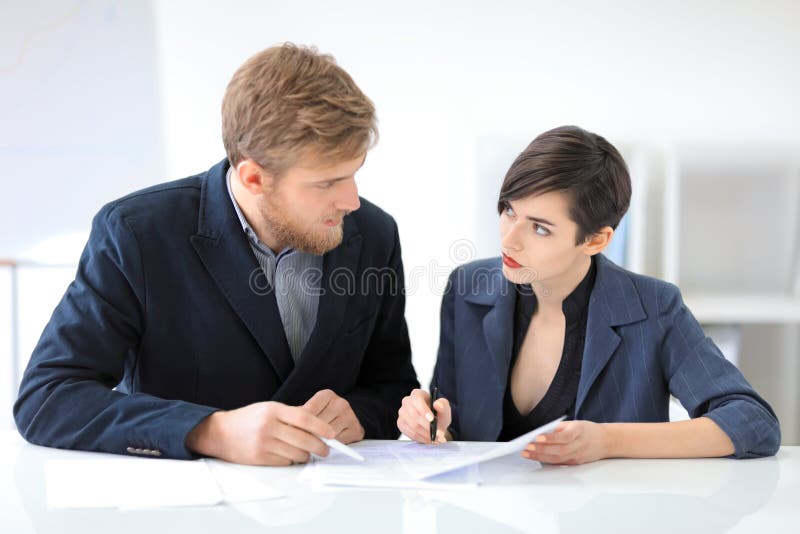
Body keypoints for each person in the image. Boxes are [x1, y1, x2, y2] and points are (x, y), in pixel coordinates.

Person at [14, 43, 418, 466]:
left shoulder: (375, 234)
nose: (351, 200)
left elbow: (393, 387)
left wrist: (361, 413)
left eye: (353, 174)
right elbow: (48, 397)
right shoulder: (136, 233)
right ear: (254, 177)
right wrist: (209, 430)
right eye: (326, 182)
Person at [397, 125, 780, 463]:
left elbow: (753, 422)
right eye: (509, 211)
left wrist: (607, 440)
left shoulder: (652, 308)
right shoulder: (467, 289)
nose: (509, 240)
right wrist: (431, 425)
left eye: (540, 228)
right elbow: (452, 424)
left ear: (596, 239)